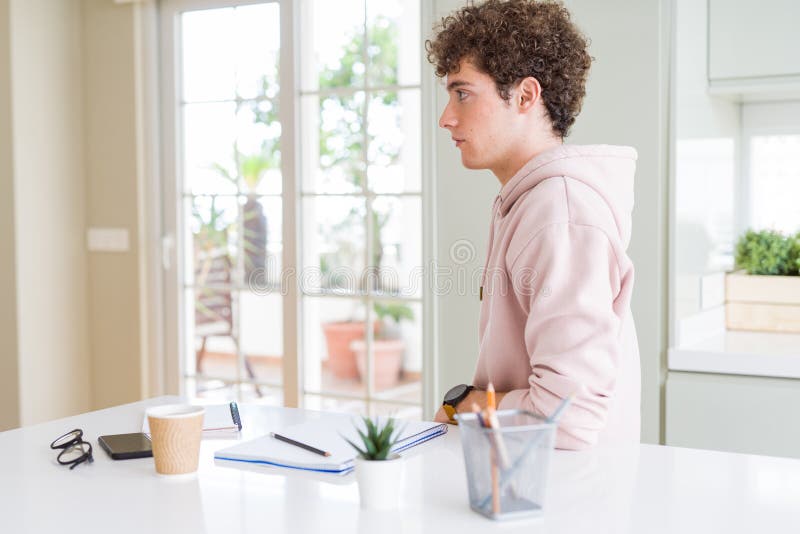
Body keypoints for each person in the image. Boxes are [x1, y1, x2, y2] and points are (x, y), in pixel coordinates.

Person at [428, 0, 640, 449]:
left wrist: (464, 405)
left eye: (462, 93)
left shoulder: (559, 213)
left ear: (526, 95)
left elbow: (568, 415)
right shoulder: (530, 202)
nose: (446, 117)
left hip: (563, 498)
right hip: (533, 485)